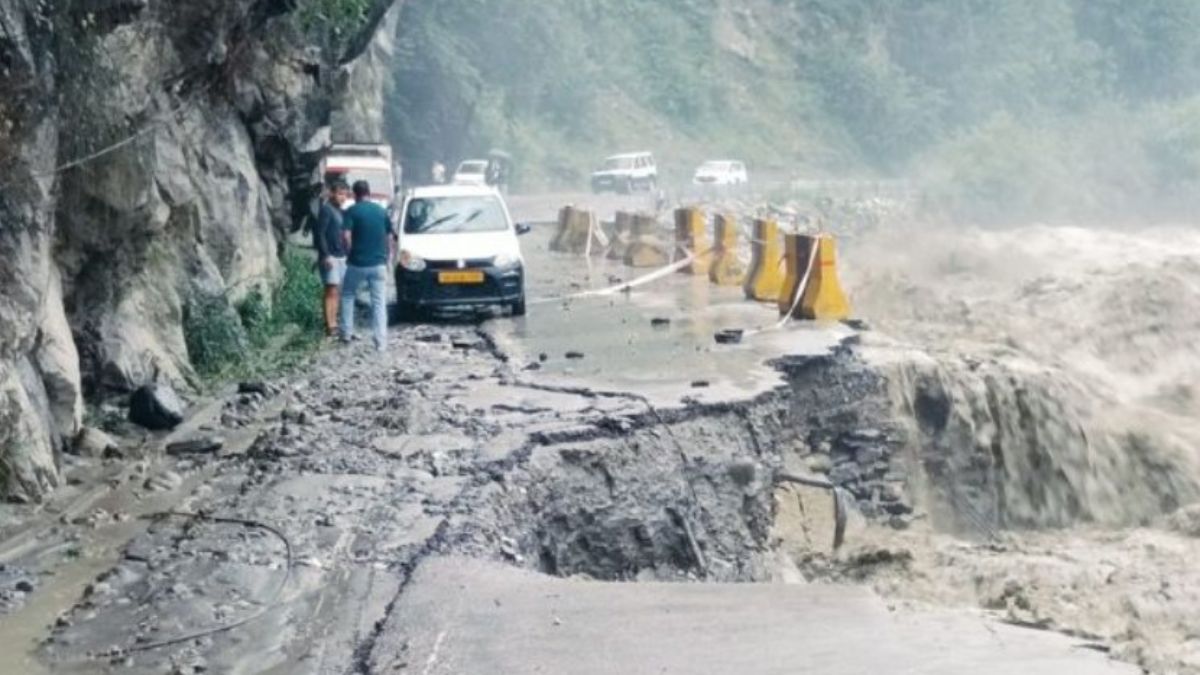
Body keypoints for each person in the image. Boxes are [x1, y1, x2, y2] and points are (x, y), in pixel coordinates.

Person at [339, 180, 396, 351]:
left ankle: (346, 334)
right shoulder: (381, 211)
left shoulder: (351, 211)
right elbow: (389, 238)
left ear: (354, 194)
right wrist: (388, 258)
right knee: (378, 302)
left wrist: (349, 253)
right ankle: (381, 342)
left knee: (348, 295)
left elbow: (346, 236)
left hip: (357, 263)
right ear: (368, 193)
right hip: (378, 264)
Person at [313, 180, 351, 337]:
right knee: (331, 290)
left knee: (337, 291)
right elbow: (320, 233)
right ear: (331, 193)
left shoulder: (340, 212)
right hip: (331, 257)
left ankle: (334, 321)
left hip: (341, 255)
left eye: (345, 195)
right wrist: (325, 254)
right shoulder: (326, 210)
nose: (343, 197)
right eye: (340, 194)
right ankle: (330, 325)